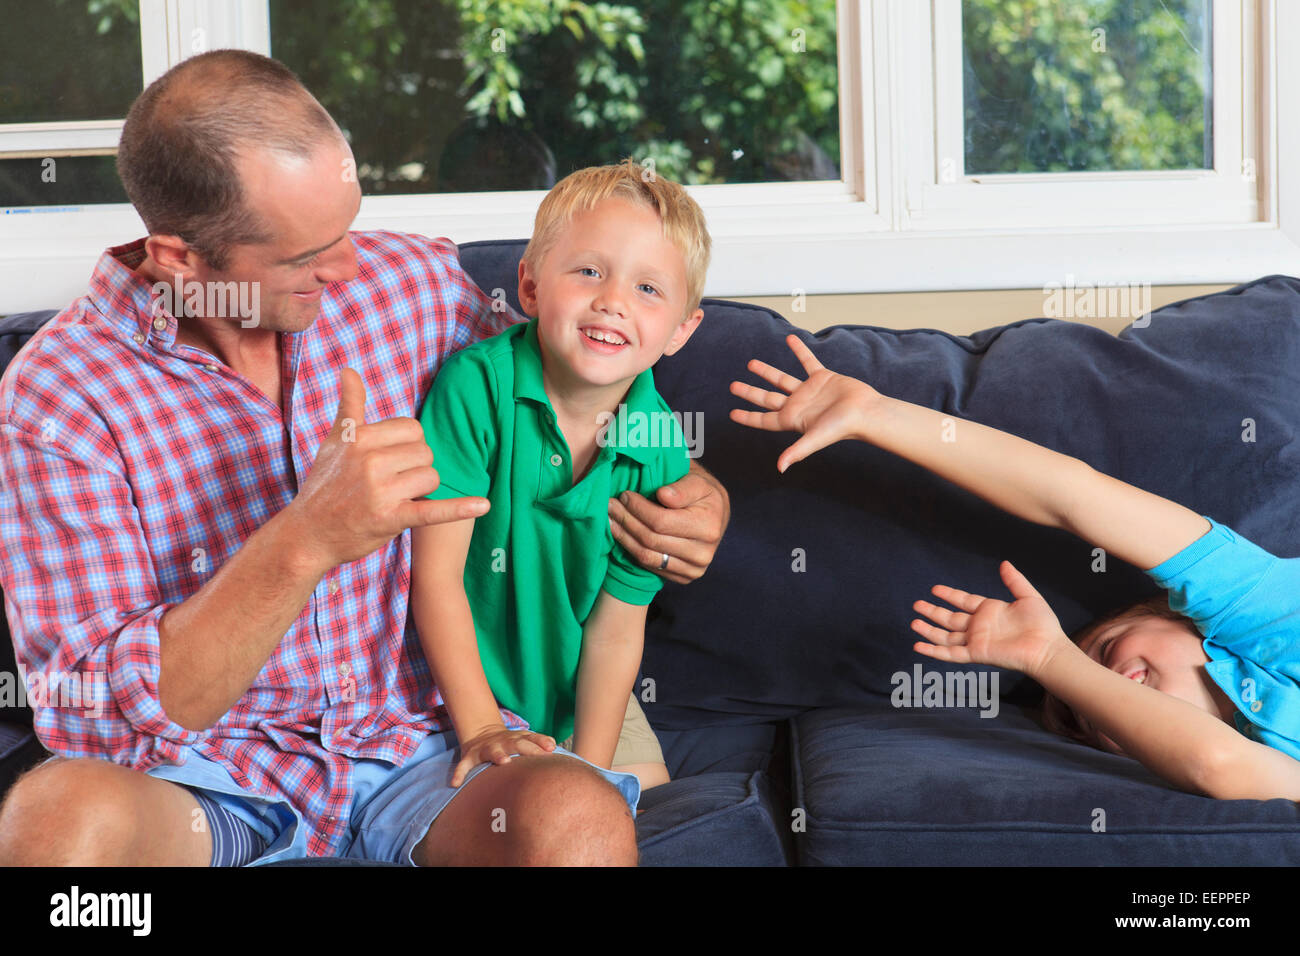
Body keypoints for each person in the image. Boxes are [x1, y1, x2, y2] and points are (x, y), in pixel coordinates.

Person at [0, 50, 729, 867]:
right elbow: (91, 713)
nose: (349, 267)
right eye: (304, 256)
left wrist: (693, 490)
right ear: (180, 260)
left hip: (424, 749)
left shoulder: (409, 283)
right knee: (57, 819)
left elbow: (572, 397)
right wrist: (306, 538)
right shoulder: (59, 396)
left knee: (575, 811)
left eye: (346, 227)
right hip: (212, 781)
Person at [730, 333, 1300, 801]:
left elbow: (1074, 496)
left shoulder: (1258, 605)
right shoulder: (1268, 761)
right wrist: (1055, 665)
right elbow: (1215, 761)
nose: (1101, 693)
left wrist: (879, 415)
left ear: (1174, 614)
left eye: (1102, 657)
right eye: (1101, 716)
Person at [412, 160, 707, 796]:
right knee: (507, 820)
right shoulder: (476, 387)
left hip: (582, 691)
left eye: (648, 289)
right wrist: (484, 729)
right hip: (456, 687)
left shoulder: (658, 448)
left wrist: (589, 771)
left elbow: (616, 628)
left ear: (682, 330)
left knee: (624, 809)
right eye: (589, 271)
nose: (612, 301)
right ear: (530, 286)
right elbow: (433, 579)